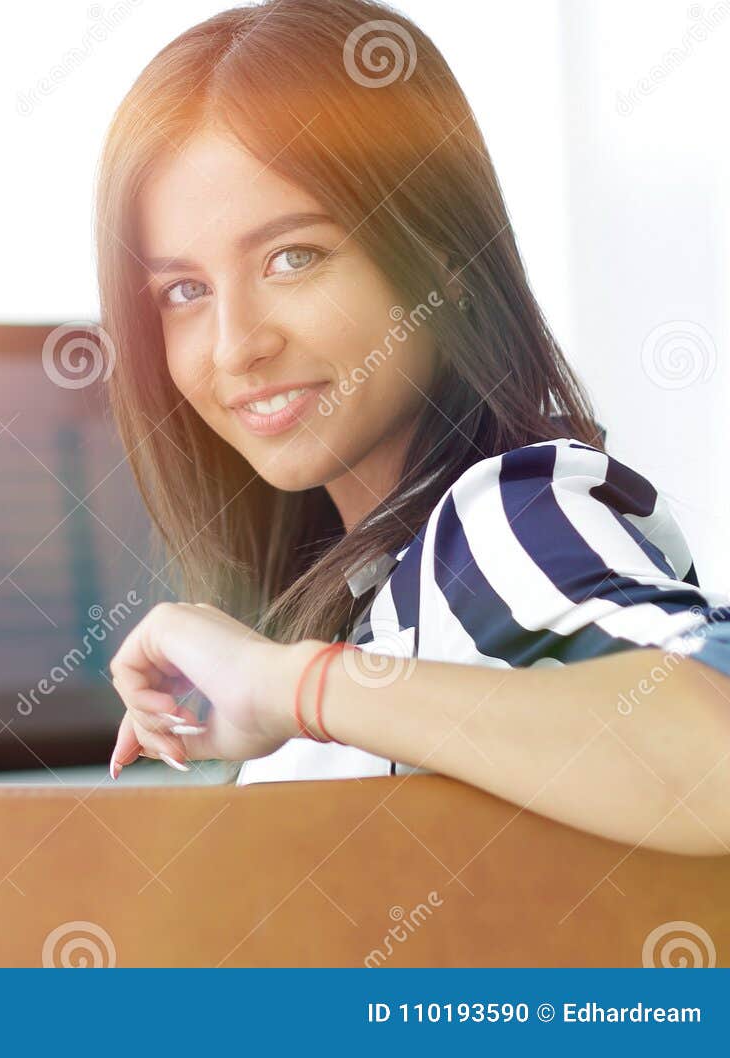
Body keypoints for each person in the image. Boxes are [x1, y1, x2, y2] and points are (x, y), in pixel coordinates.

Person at [94, 0, 730, 846]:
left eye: (294, 257)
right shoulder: (367, 592)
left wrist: (291, 687)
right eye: (184, 291)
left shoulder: (501, 516)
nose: (235, 345)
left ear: (441, 259)